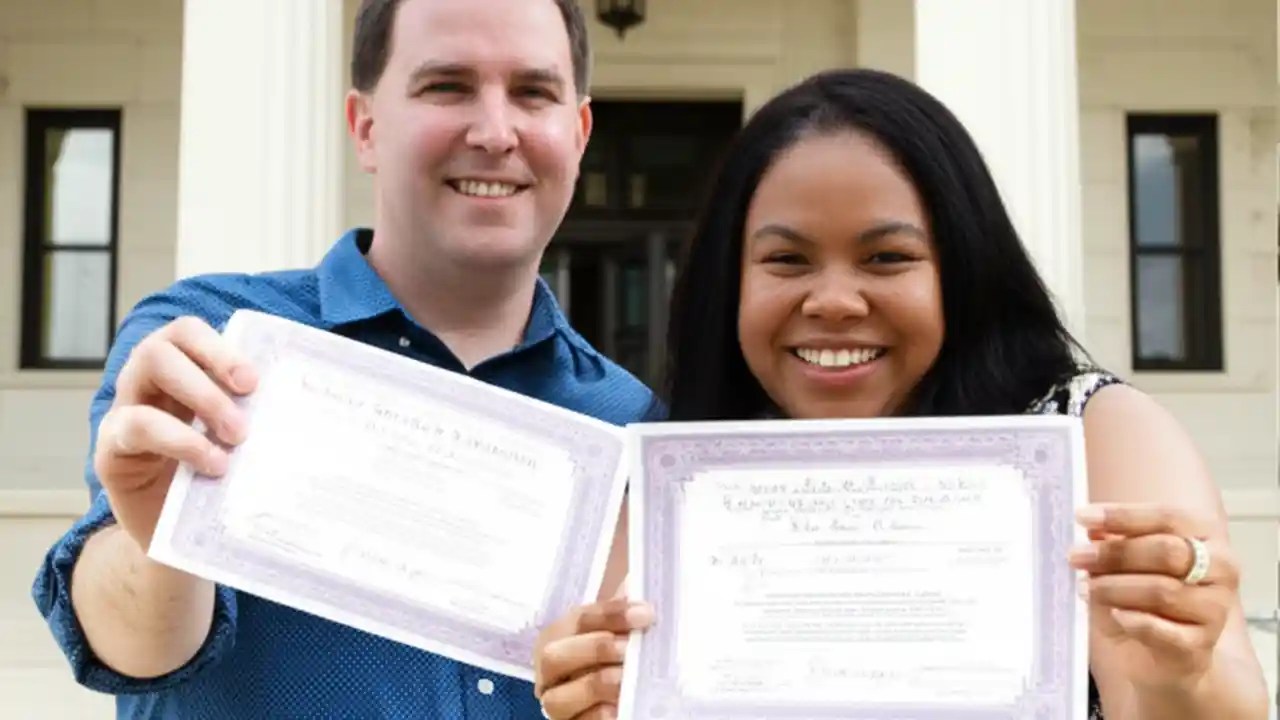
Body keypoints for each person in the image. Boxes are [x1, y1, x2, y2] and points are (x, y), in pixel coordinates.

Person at [531, 68, 1269, 720]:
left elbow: (1216, 707)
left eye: (887, 258)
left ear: (962, 269)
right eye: (787, 260)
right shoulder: (675, 489)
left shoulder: (1095, 440)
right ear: (733, 282)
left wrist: (1182, 668)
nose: (835, 300)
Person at [31, 0, 658, 717]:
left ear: (578, 134)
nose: (494, 131)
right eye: (447, 86)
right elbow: (129, 648)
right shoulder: (212, 341)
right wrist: (159, 535)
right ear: (366, 127)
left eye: (533, 92)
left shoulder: (635, 427)